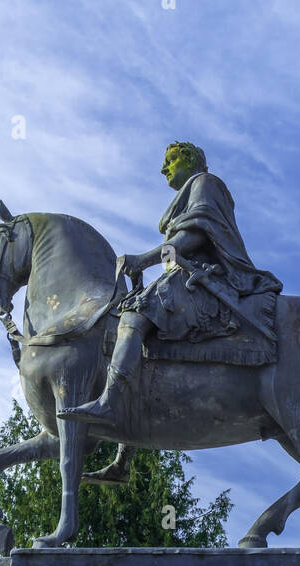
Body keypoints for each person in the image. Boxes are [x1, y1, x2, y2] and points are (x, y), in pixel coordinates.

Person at [60, 141, 281, 427]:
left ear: (189, 158)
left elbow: (192, 239)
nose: (163, 168)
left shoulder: (204, 183)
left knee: (133, 318)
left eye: (171, 160)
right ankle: (126, 451)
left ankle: (109, 403)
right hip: (185, 277)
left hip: (202, 280)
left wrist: (142, 260)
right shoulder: (193, 192)